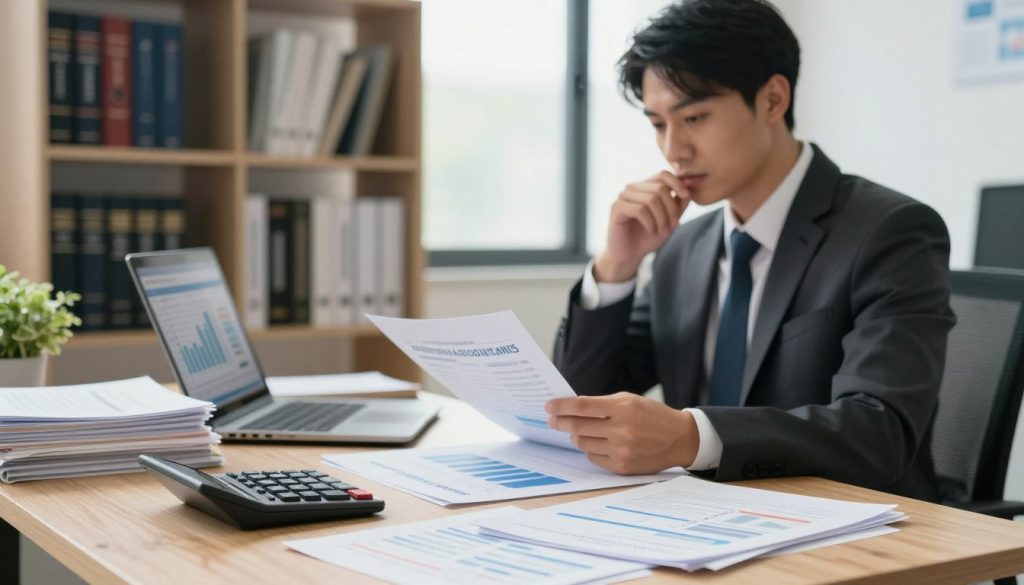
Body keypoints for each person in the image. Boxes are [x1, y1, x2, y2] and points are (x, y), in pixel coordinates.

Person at [546, 0, 955, 501]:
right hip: (706, 524)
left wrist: (691, 437)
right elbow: (578, 406)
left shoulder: (890, 231)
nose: (674, 149)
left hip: (852, 529)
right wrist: (616, 267)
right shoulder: (684, 249)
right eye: (658, 123)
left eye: (694, 116)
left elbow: (880, 431)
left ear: (772, 100)